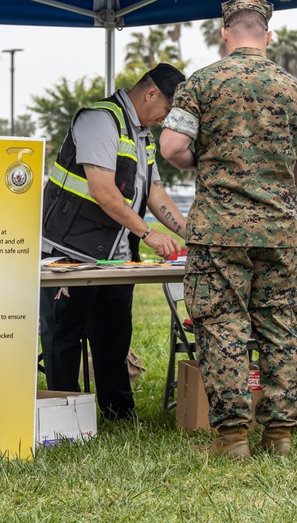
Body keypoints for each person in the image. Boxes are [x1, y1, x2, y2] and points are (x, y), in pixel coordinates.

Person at [160, 0, 297, 458]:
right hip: (279, 230)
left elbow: (171, 148)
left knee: (223, 326)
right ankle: (280, 436)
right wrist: (291, 211)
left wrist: (204, 161)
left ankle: (232, 438)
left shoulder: (202, 83)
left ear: (225, 33)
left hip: (219, 231)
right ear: (267, 37)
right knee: (279, 326)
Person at [40, 63, 188, 421]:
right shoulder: (99, 120)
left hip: (116, 259)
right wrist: (148, 233)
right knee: (63, 338)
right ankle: (65, 417)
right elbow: (103, 190)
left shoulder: (142, 136)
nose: (165, 120)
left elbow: (154, 190)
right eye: (168, 110)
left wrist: (191, 233)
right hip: (68, 255)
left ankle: (118, 412)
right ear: (151, 93)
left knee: (114, 336)